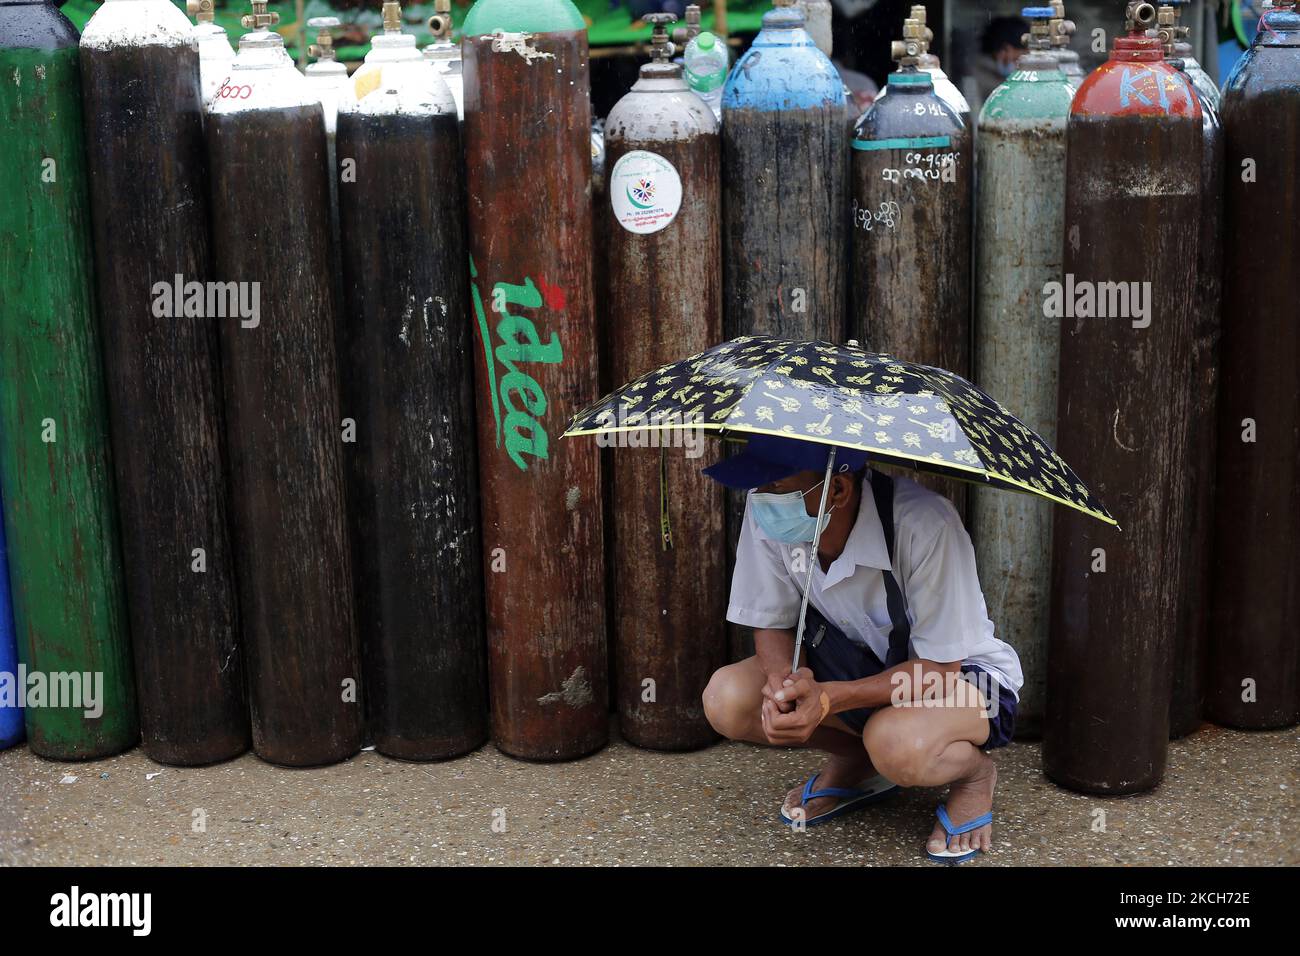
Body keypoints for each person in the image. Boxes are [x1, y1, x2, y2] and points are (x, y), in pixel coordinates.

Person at [700, 434, 1022, 863]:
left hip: (964, 679)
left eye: (775, 485)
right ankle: (862, 763)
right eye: (756, 487)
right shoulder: (768, 516)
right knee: (729, 700)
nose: (760, 499)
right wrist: (783, 687)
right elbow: (771, 622)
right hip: (856, 669)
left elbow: (941, 670)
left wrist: (828, 698)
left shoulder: (925, 526)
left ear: (838, 488)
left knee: (894, 743)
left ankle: (974, 775)